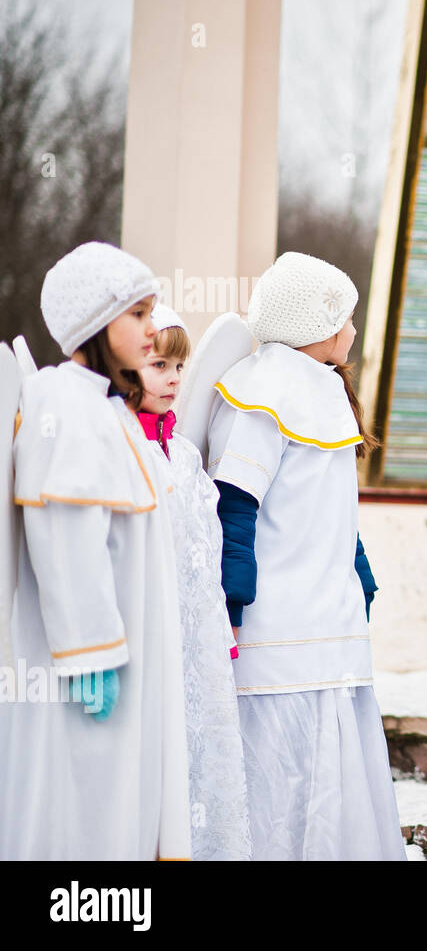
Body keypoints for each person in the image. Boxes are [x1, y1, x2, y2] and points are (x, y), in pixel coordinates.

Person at [206, 252, 403, 860]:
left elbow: (332, 509)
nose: (352, 330)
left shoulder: (326, 389)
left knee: (331, 765)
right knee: (282, 771)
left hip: (328, 618)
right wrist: (233, 597)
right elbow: (235, 506)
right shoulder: (261, 392)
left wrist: (360, 578)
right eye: (346, 318)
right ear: (314, 325)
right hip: (277, 625)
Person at [0, 242, 191, 860]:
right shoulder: (63, 401)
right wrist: (91, 652)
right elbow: (64, 536)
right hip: (86, 660)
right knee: (82, 802)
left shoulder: (106, 407)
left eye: (152, 311)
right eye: (137, 314)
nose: (151, 328)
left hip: (124, 646)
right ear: (93, 323)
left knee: (116, 803)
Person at [132, 305, 253, 860]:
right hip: (141, 635)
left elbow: (204, 548)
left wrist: (217, 623)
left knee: (193, 759)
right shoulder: (122, 450)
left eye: (179, 366)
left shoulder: (181, 456)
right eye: (160, 364)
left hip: (189, 644)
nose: (175, 379)